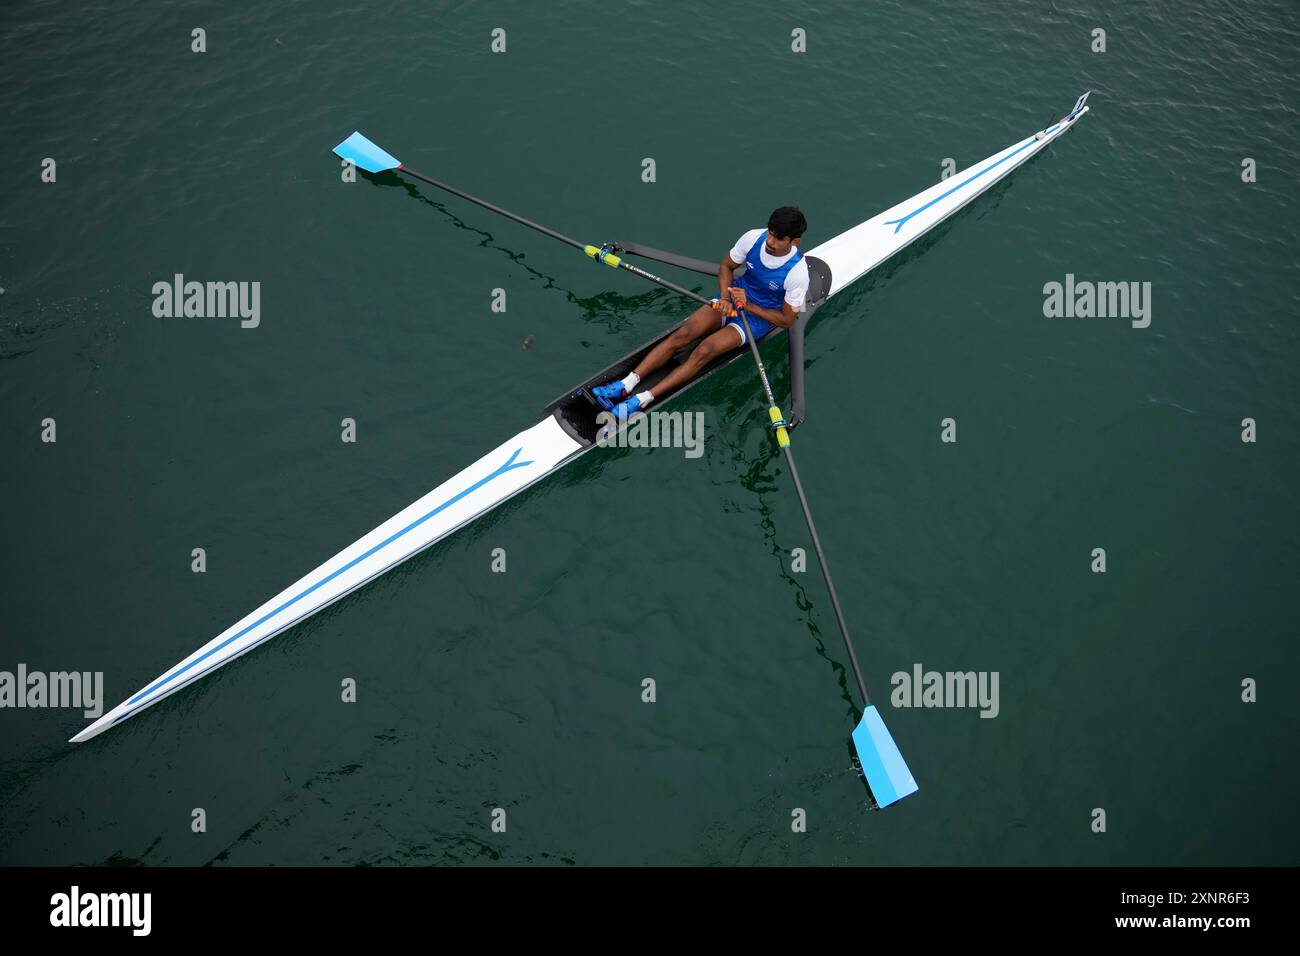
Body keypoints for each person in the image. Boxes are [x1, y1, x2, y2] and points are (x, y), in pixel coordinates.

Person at [591, 206, 810, 417]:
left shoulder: (797, 273)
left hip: (756, 319)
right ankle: (627, 383)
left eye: (779, 239)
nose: (770, 242)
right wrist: (725, 297)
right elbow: (726, 267)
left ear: (794, 241)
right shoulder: (753, 238)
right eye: (771, 233)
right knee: (684, 333)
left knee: (706, 349)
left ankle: (643, 399)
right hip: (733, 297)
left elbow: (786, 319)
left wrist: (749, 306)